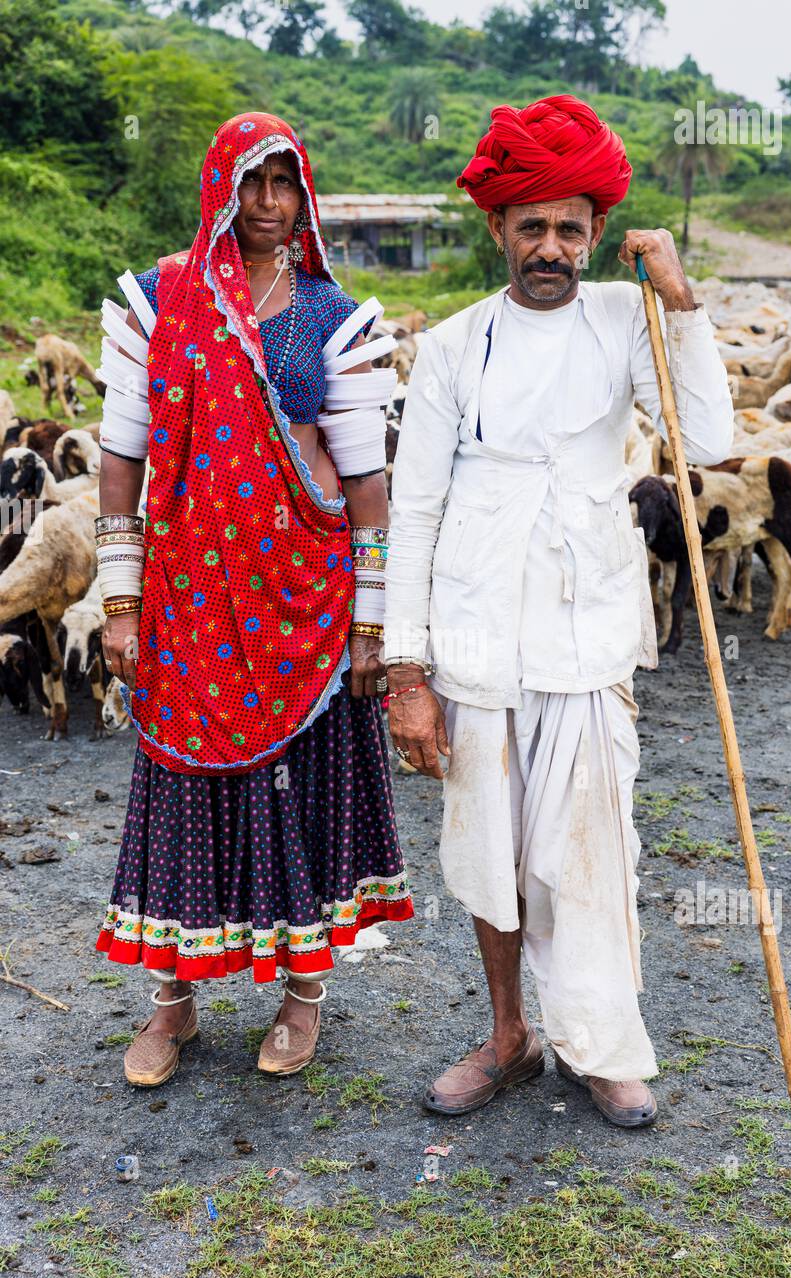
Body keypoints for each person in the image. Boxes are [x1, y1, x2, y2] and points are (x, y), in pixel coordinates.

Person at [383, 95, 733, 1126]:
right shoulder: (452, 347)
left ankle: (597, 1044)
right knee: (489, 852)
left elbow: (704, 440)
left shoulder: (629, 321)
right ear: (497, 229)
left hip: (588, 630)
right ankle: (510, 1038)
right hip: (477, 631)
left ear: (593, 236)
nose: (550, 246)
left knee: (590, 850)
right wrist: (408, 673)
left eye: (570, 228)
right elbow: (413, 508)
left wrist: (682, 300)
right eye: (530, 225)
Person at [96, 111, 412, 1088]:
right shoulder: (161, 302)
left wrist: (370, 615)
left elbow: (365, 482)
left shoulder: (330, 313)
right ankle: (173, 1004)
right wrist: (118, 601)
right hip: (190, 604)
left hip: (302, 607)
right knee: (182, 791)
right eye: (253, 183)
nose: (270, 205)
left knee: (302, 795)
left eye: (286, 184)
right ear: (221, 190)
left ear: (303, 196)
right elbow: (118, 461)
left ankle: (301, 995)